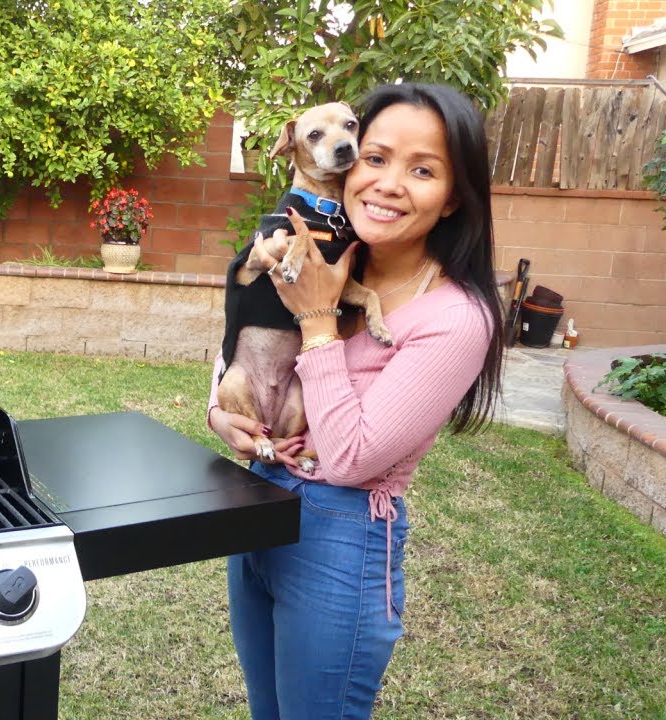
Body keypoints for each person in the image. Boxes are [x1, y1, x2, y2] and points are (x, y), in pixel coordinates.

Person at [206, 82, 504, 719]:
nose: (387, 184)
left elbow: (350, 458)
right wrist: (220, 413)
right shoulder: (333, 253)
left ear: (453, 197)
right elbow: (245, 333)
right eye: (376, 157)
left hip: (339, 537)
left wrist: (318, 319)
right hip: (257, 500)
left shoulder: (455, 318)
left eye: (422, 170)